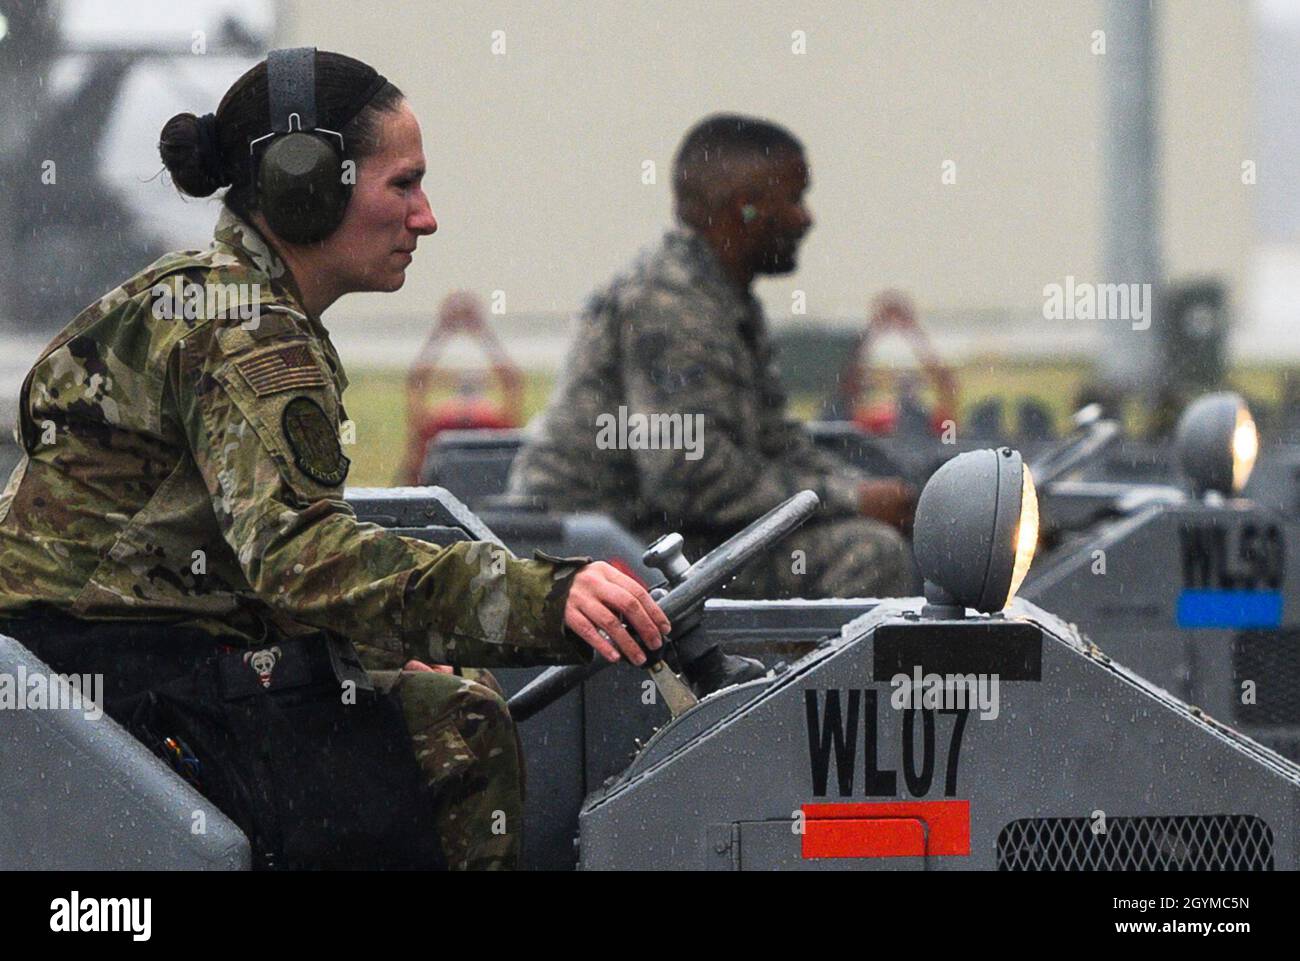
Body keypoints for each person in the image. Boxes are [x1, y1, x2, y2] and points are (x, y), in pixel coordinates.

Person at [0, 48, 670, 870]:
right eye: (403, 185)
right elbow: (298, 558)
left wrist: (372, 644)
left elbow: (222, 558)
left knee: (394, 680)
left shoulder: (211, 293)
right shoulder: (248, 329)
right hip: (112, 683)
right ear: (305, 183)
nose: (425, 218)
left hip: (83, 670)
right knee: (455, 725)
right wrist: (543, 598)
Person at [508, 114, 915, 600]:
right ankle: (773, 679)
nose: (806, 219)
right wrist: (851, 500)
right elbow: (688, 476)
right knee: (870, 554)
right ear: (744, 209)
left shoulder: (719, 299)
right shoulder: (672, 305)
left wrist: (886, 497)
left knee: (882, 535)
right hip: (606, 553)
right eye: (794, 199)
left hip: (665, 533)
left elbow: (773, 440)